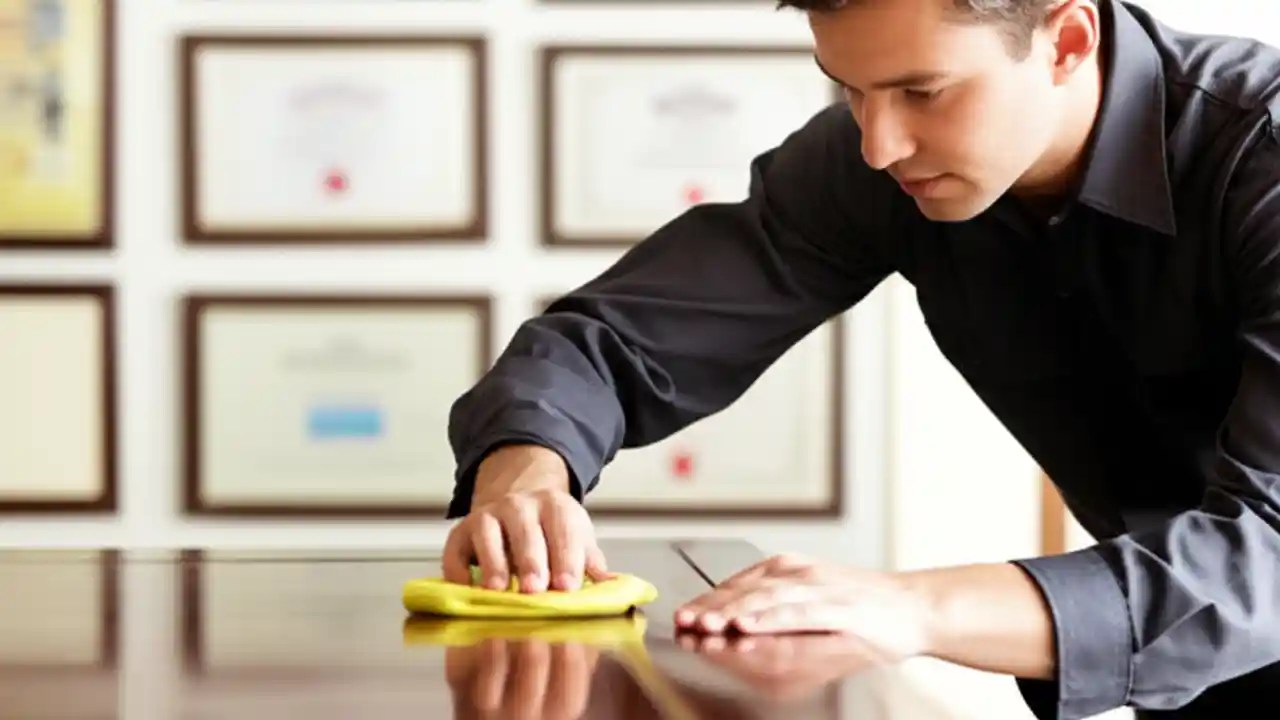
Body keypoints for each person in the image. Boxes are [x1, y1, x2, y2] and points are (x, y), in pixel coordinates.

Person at [439, 0, 1280, 717]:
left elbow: (1268, 553)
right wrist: (527, 471)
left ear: (1065, 42)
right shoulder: (871, 163)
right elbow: (622, 335)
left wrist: (911, 605)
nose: (880, 145)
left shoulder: (1264, 157)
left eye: (924, 91)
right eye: (849, 89)